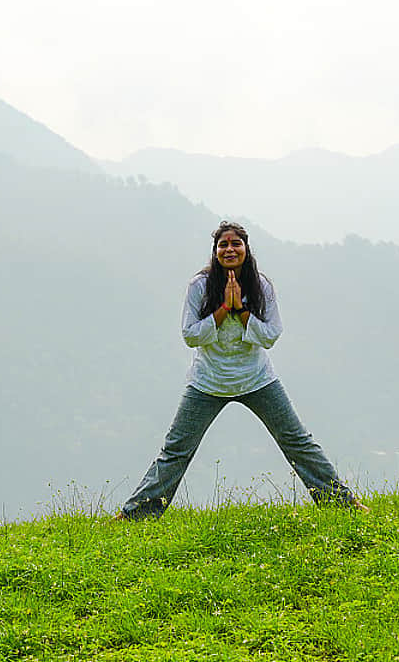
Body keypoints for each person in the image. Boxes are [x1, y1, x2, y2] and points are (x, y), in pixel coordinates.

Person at [116, 221, 368, 519]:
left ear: (246, 249)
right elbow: (190, 335)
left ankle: (342, 504)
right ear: (215, 252)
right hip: (207, 381)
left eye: (236, 243)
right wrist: (224, 307)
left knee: (297, 441)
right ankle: (135, 515)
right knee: (176, 450)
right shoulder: (200, 286)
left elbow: (271, 335)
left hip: (257, 379)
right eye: (223, 244)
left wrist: (241, 310)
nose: (230, 249)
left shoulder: (261, 286)